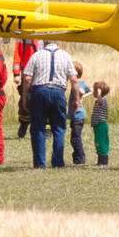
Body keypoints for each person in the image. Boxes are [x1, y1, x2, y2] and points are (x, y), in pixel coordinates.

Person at [20, 40, 79, 169]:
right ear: (58, 43)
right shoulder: (65, 55)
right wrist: (76, 99)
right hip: (58, 92)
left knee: (38, 128)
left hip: (40, 91)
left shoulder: (36, 55)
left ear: (44, 43)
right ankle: (57, 162)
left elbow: (27, 78)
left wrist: (24, 98)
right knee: (58, 128)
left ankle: (40, 163)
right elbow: (74, 79)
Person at [12, 39, 39, 138]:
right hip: (27, 73)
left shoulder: (46, 33)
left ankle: (46, 129)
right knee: (25, 100)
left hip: (42, 73)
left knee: (43, 101)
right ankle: (24, 124)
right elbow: (17, 54)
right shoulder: (23, 36)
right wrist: (16, 74)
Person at [67, 61, 91, 165]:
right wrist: (82, 97)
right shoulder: (80, 82)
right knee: (74, 138)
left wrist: (81, 94)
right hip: (76, 117)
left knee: (75, 138)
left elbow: (82, 90)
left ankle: (80, 158)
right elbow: (91, 91)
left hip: (78, 116)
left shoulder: (78, 83)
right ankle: (78, 157)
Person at [90, 81, 111, 165]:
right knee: (98, 143)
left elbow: (100, 99)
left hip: (101, 125)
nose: (93, 92)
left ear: (99, 91)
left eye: (95, 90)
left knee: (102, 143)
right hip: (97, 126)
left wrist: (98, 93)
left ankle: (103, 161)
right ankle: (100, 160)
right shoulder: (98, 101)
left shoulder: (102, 100)